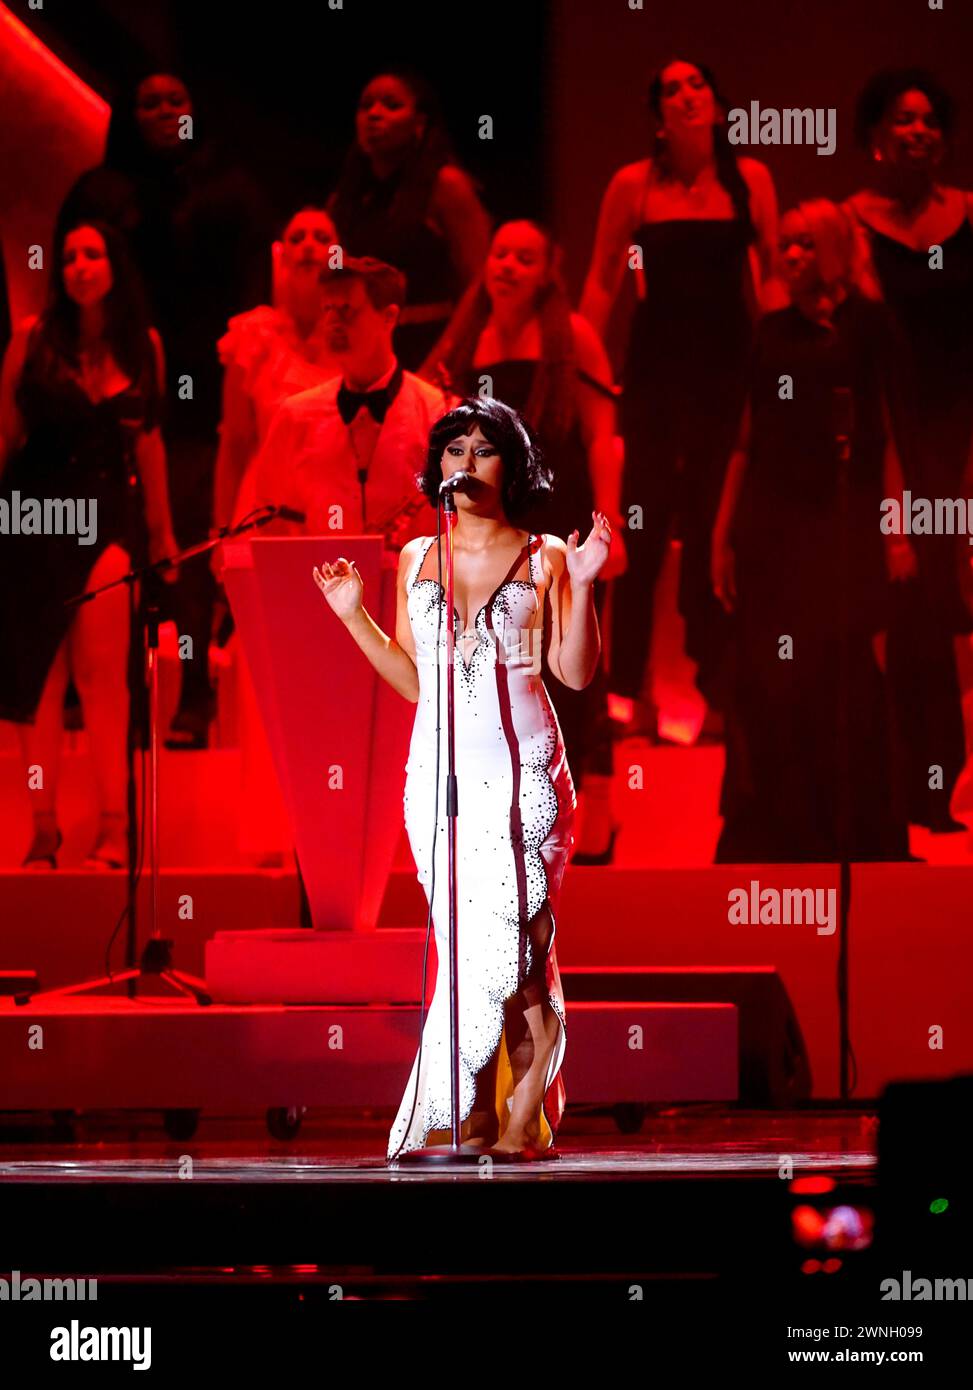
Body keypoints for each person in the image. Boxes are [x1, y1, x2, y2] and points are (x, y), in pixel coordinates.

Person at [312, 397, 610, 1160]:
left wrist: (585, 582)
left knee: (516, 943)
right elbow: (414, 682)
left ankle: (527, 1093)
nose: (464, 463)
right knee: (464, 948)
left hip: (523, 775)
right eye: (452, 449)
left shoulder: (544, 555)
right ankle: (469, 1115)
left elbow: (574, 673)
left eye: (482, 450)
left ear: (511, 465)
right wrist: (352, 617)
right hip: (436, 781)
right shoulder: (416, 557)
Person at [58, 70, 272, 749]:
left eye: (176, 101)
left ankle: (195, 696)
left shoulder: (229, 191)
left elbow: (252, 292)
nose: (163, 113)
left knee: (185, 542)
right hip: (113, 395)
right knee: (106, 549)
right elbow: (69, 282)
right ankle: (98, 692)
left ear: (195, 110)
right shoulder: (98, 192)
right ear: (130, 114)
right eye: (148, 103)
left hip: (205, 396)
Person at [581, 57, 781, 738]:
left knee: (710, 536)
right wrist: (582, 370)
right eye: (670, 88)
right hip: (654, 381)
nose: (686, 96)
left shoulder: (748, 180)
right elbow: (603, 285)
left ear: (717, 106)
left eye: (697, 85)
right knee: (634, 533)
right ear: (658, 117)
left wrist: (787, 368)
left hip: (725, 380)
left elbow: (772, 279)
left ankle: (719, 695)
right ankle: (630, 698)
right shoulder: (633, 186)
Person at [710, 202, 914, 862]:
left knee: (846, 671)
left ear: (830, 248)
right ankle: (778, 830)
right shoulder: (767, 332)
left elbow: (890, 434)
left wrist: (897, 532)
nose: (789, 256)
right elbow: (743, 440)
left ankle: (853, 827)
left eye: (804, 245)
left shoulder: (869, 326)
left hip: (845, 524)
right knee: (773, 679)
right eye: (785, 246)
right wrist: (721, 534)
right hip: (771, 527)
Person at [423, 217, 626, 861]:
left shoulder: (574, 338)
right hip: (494, 529)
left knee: (575, 661)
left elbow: (604, 436)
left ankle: (599, 805)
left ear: (547, 271)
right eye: (500, 253)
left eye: (524, 257)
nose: (507, 265)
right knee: (510, 662)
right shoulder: (468, 340)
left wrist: (611, 524)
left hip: (560, 518)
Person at [0, 220, 177, 868]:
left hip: (107, 512)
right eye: (69, 255)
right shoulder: (30, 338)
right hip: (31, 514)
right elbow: (5, 435)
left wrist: (163, 533)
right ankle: (43, 827)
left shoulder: (142, 345)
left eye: (92, 253)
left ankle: (114, 826)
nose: (78, 265)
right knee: (38, 679)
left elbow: (150, 442)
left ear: (113, 265)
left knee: (103, 676)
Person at [845, 69, 973, 833]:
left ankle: (953, 782)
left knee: (954, 600)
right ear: (875, 138)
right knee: (904, 600)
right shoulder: (854, 224)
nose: (918, 130)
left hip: (961, 425)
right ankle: (907, 785)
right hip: (890, 425)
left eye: (930, 120)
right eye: (902, 119)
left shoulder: (969, 216)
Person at [211, 206, 343, 864]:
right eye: (296, 237)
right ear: (277, 253)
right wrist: (218, 534)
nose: (309, 247)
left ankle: (328, 835)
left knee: (330, 682)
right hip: (262, 521)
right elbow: (233, 444)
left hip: (333, 524)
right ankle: (270, 839)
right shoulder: (253, 339)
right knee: (264, 686)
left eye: (322, 237)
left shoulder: (354, 339)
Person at [250, 257, 452, 544]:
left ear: (388, 317)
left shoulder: (439, 414)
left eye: (345, 310)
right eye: (327, 309)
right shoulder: (295, 416)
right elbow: (271, 524)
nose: (332, 321)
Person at [327, 68, 491, 371]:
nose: (374, 114)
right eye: (366, 105)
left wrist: (442, 360)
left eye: (391, 105)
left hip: (432, 347)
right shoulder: (344, 200)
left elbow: (480, 281)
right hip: (364, 357)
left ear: (420, 122)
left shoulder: (446, 187)